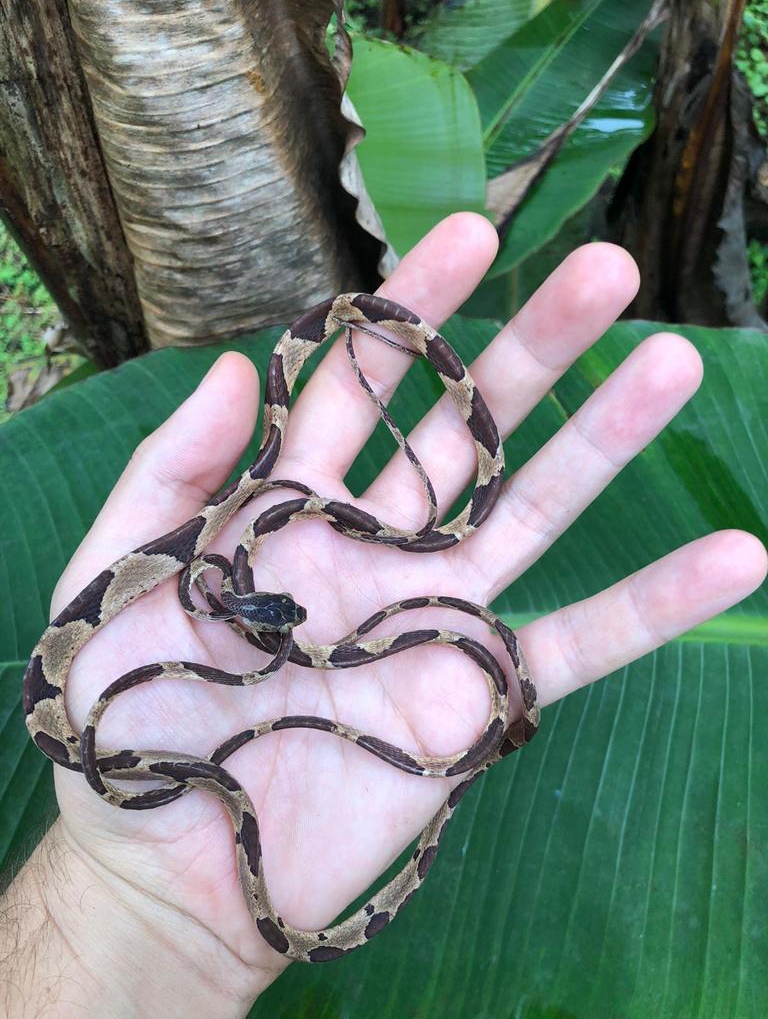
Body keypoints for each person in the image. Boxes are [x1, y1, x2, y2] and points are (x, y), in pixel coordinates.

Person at [2, 214, 765, 1018]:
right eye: (275, 630)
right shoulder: (219, 577)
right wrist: (134, 903)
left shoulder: (254, 544)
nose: (287, 634)